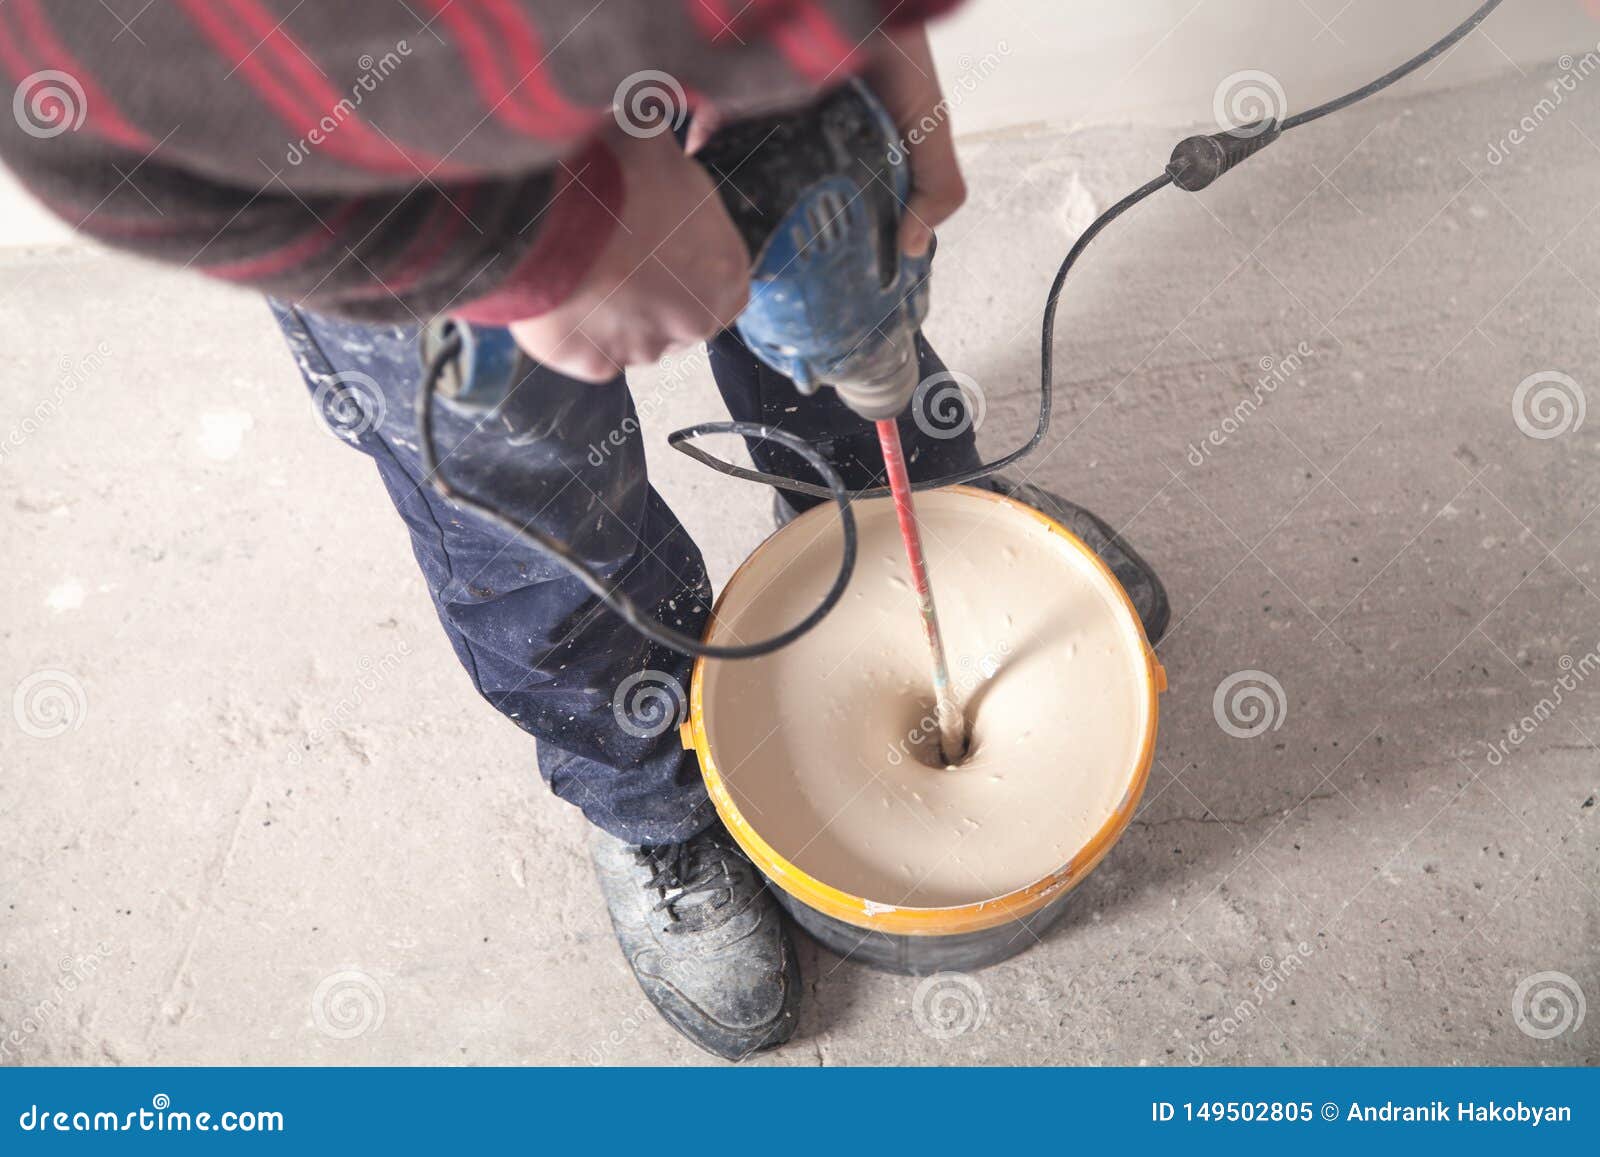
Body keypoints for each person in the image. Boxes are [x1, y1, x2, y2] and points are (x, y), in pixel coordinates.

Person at [0, 0, 1166, 1060]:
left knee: (824, 248)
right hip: (383, 130)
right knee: (521, 483)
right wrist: (523, 244)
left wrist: (859, 25)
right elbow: (74, 75)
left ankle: (915, 520)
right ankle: (650, 794)